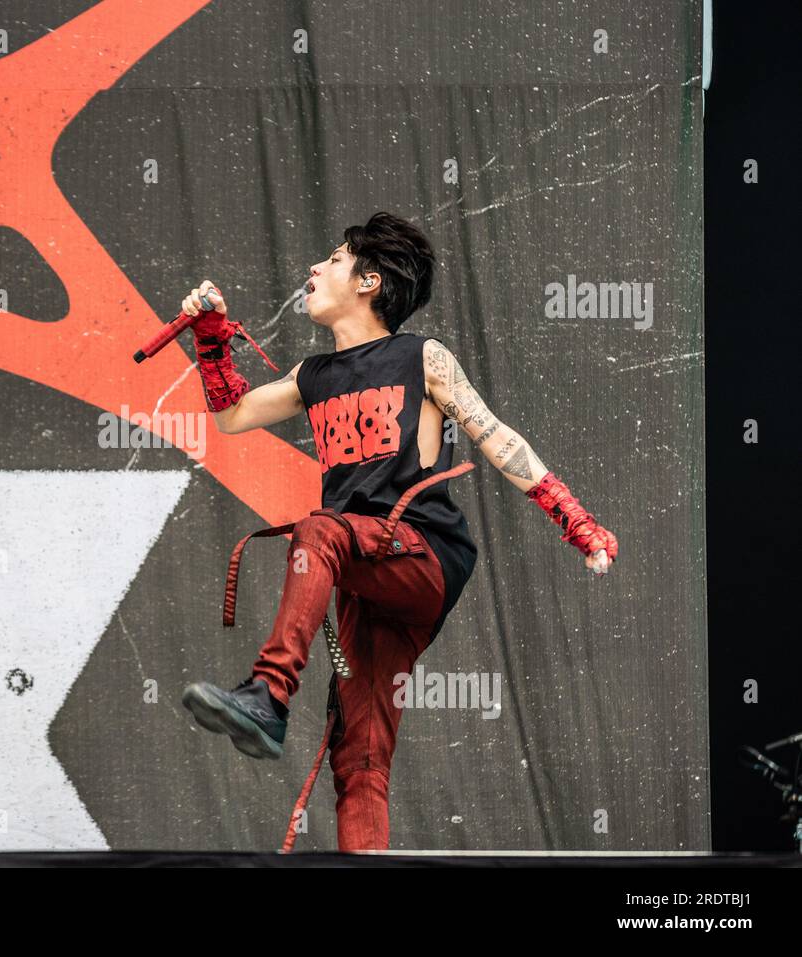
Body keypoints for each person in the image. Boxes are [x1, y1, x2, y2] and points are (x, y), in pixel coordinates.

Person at [180, 211, 618, 851]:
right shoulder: (313, 376)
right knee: (358, 759)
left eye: (332, 259)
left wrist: (574, 519)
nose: (314, 269)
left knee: (320, 530)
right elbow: (232, 417)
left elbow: (495, 437)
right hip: (365, 578)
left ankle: (269, 694)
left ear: (369, 281)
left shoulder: (422, 356)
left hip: (423, 557)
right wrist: (212, 338)